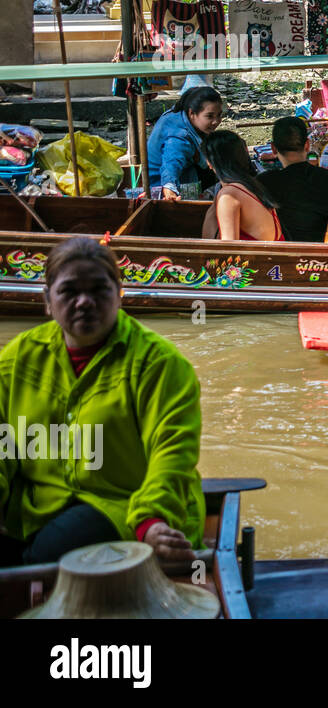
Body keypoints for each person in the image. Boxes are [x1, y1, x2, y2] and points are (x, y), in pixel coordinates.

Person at [0, 237, 203, 566]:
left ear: (119, 295)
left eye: (99, 290)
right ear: (48, 301)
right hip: (38, 504)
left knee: (49, 552)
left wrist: (151, 520)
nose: (84, 302)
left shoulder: (160, 364)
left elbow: (173, 452)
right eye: (68, 291)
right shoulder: (19, 357)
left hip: (121, 506)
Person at [258, 117, 328, 242]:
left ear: (273, 148)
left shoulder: (261, 183)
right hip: (317, 259)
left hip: (277, 258)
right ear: (307, 145)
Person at [199, 130, 284, 242]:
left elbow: (229, 249)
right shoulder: (252, 186)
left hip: (256, 259)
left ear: (209, 162)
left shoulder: (229, 195)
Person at [146, 85, 223, 201]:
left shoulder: (180, 112)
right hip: (159, 185)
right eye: (209, 116)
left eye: (219, 115)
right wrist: (169, 187)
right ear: (192, 113)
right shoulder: (179, 136)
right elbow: (172, 162)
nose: (216, 121)